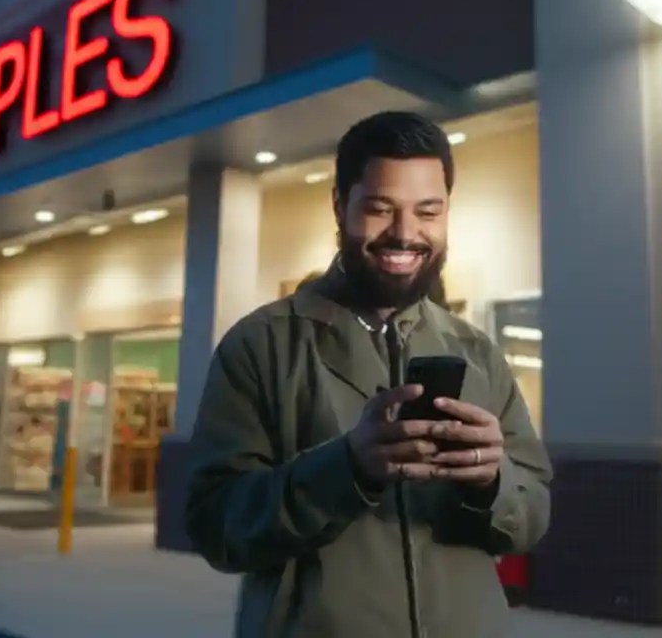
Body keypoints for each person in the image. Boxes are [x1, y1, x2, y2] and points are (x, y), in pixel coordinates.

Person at [185, 111, 552, 637]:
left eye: (429, 211)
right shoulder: (261, 345)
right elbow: (213, 526)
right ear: (339, 205)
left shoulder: (478, 352)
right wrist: (347, 468)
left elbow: (533, 511)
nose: (405, 234)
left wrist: (491, 482)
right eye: (380, 209)